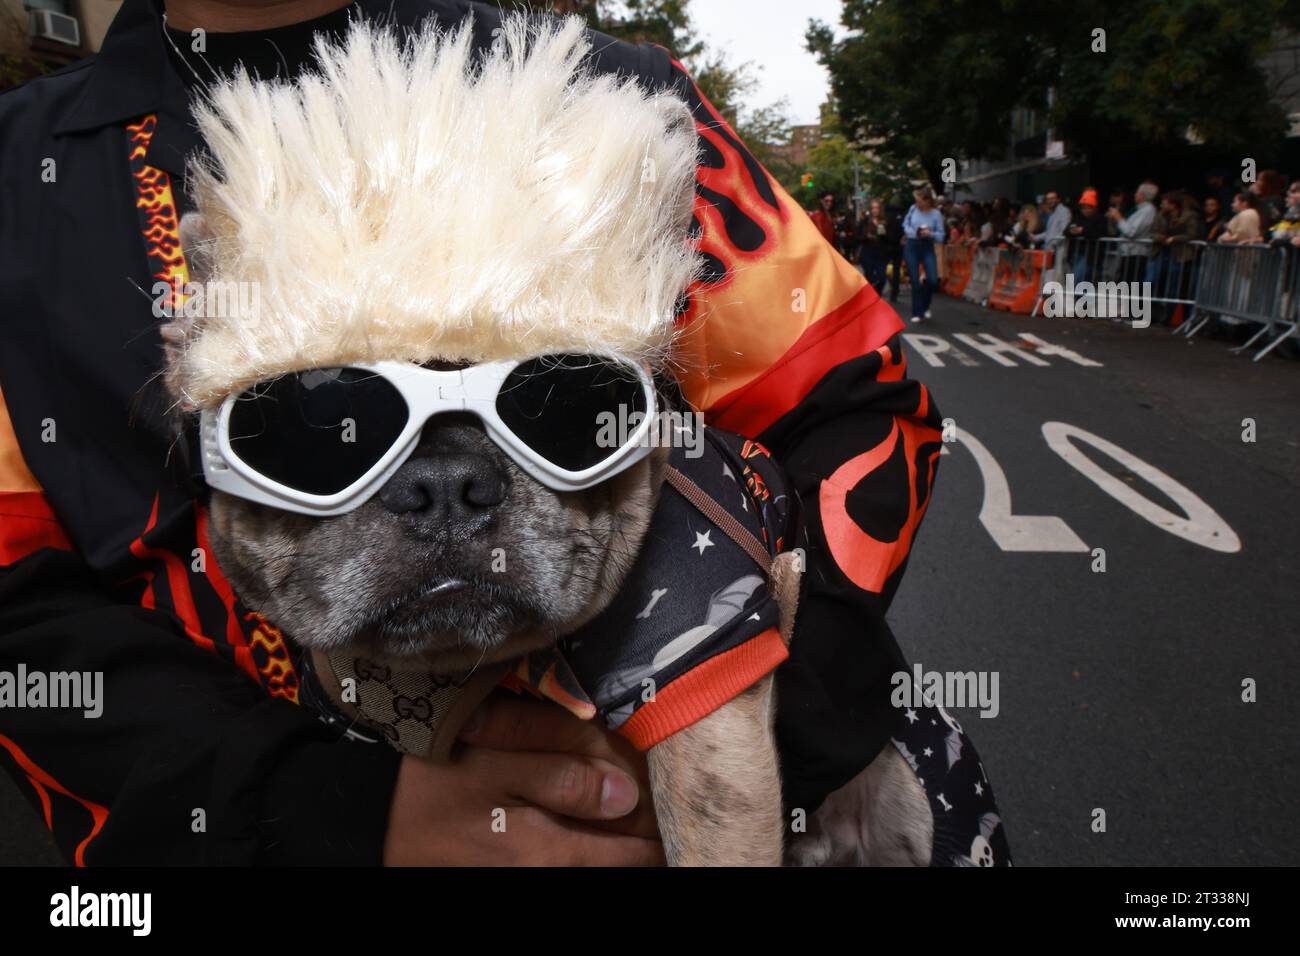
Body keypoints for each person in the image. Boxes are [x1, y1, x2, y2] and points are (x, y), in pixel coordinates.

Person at [0, 0, 962, 866]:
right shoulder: (20, 174)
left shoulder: (614, 110)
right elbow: (19, 611)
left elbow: (856, 405)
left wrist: (745, 737)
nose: (439, 486)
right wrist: (331, 811)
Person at [1147, 191, 1202, 324]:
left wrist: (1174, 239)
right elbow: (1152, 232)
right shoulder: (1160, 216)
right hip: (1160, 253)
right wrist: (1162, 238)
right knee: (1152, 282)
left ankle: (1168, 317)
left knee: (1173, 287)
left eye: (1164, 203)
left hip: (1179, 256)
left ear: (1173, 205)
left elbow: (1192, 234)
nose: (1161, 205)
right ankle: (1150, 313)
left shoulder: (1189, 216)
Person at [901, 186, 944, 322]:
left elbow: (941, 236)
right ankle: (916, 312)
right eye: (916, 200)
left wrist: (929, 233)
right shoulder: (913, 209)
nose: (917, 203)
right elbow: (905, 224)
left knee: (932, 279)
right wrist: (912, 232)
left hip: (927, 246)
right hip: (912, 245)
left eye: (919, 201)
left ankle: (925, 305)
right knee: (915, 281)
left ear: (927, 201)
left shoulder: (936, 214)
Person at [1108, 181, 1159, 284]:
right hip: (1128, 253)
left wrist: (1118, 217)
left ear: (1142, 195)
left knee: (1132, 287)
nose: (1135, 195)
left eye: (1137, 192)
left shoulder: (1148, 210)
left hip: (1136, 254)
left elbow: (1131, 231)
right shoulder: (1139, 209)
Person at [1066, 188, 1106, 284]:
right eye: (1083, 207)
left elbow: (1099, 232)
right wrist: (1072, 232)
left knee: (1076, 279)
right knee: (1082, 283)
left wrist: (1082, 230)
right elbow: (1066, 231)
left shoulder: (1100, 219)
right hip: (1075, 254)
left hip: (1090, 256)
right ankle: (1081, 298)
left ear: (1094, 208)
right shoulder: (1077, 218)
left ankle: (1078, 298)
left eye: (1088, 207)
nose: (1085, 210)